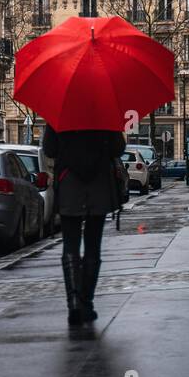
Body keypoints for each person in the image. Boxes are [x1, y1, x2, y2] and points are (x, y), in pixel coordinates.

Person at [42, 124, 125, 325]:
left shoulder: (60, 113)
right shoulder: (104, 112)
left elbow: (49, 149)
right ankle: (86, 302)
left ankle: (74, 303)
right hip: (99, 183)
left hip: (69, 181)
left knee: (70, 244)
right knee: (93, 245)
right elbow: (118, 149)